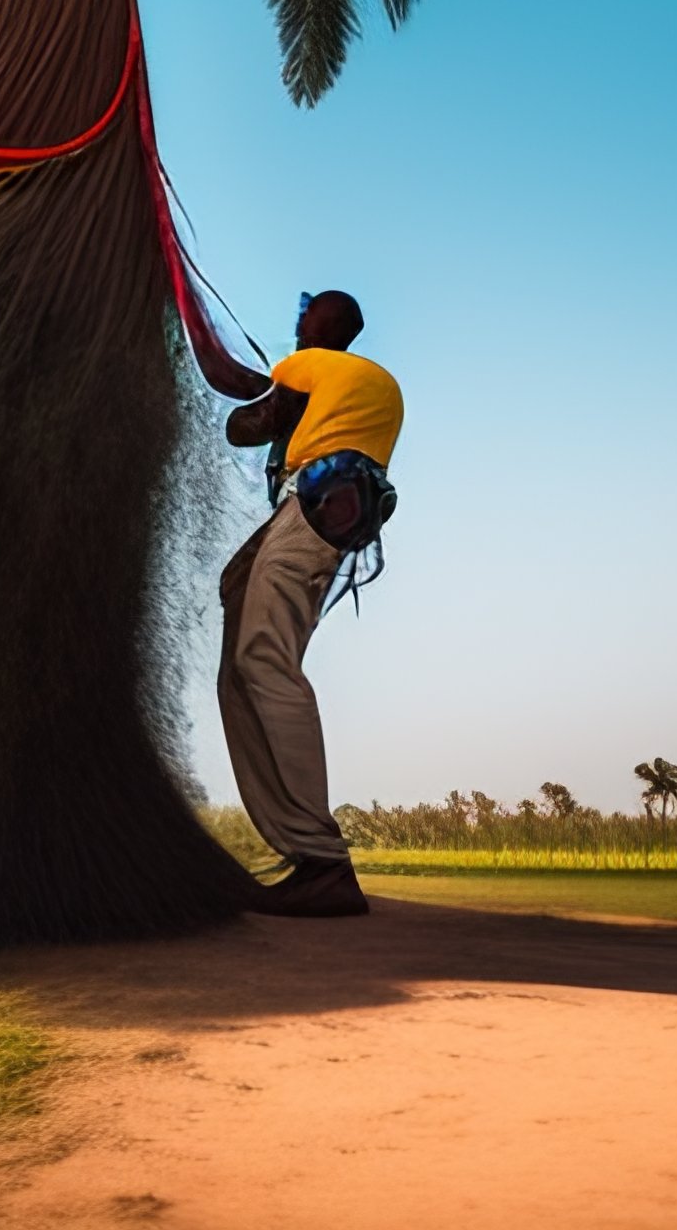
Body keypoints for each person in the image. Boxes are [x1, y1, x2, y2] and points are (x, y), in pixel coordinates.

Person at [219, 288, 402, 917]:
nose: (297, 320)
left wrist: (209, 350)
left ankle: (320, 861)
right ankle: (307, 856)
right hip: (337, 509)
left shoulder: (309, 367)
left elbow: (246, 424)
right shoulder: (362, 383)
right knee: (238, 605)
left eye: (305, 313)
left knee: (264, 662)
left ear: (321, 326)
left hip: (321, 501)